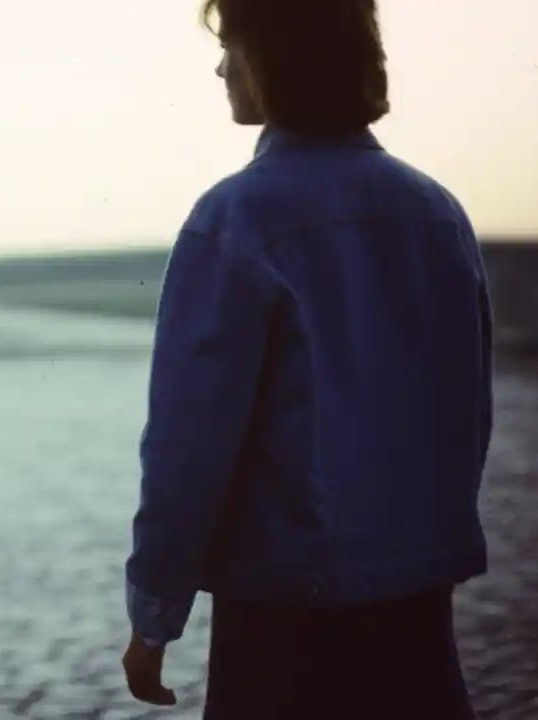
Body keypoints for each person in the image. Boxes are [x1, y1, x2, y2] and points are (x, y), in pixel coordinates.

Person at [121, 0, 491, 717]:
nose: (222, 65)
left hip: (284, 613)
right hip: (417, 603)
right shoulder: (436, 211)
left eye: (233, 45)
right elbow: (468, 412)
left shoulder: (235, 217)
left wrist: (153, 615)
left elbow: (188, 447)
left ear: (274, 60)